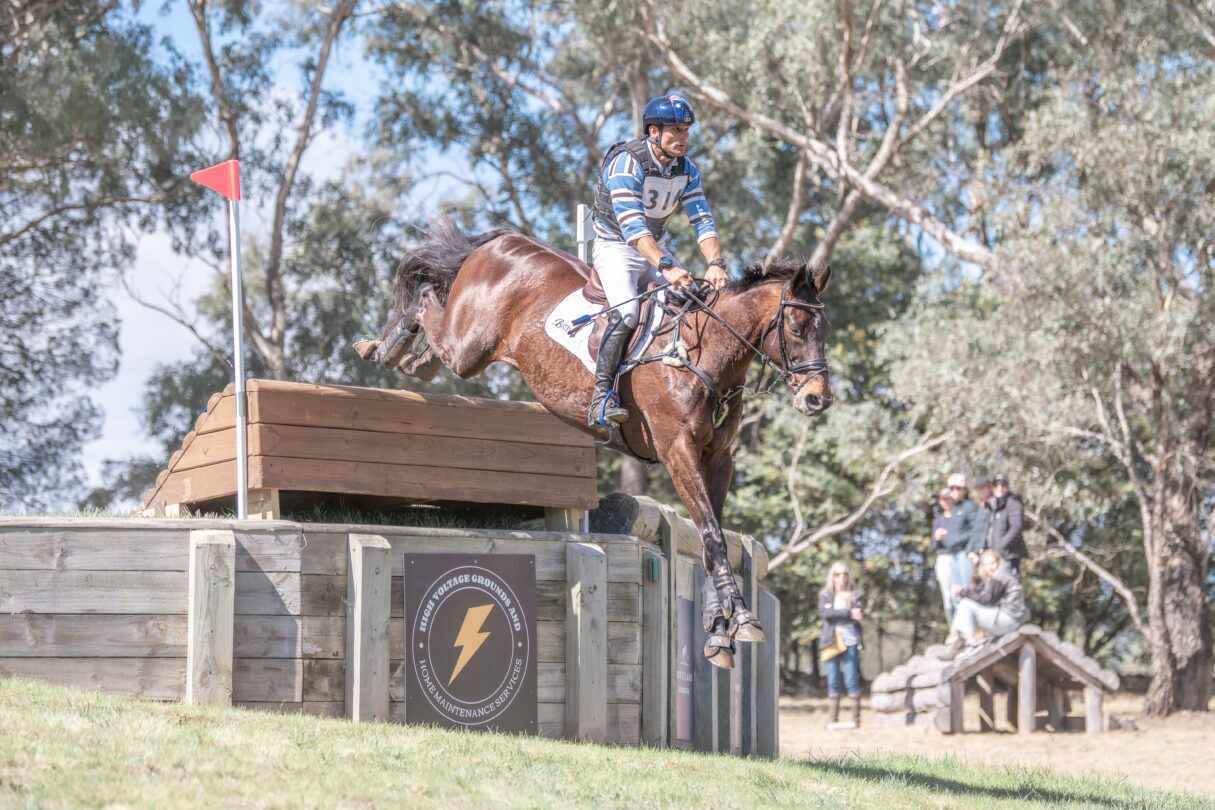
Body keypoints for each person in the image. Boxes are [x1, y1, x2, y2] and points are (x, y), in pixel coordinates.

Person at [587, 93, 728, 426]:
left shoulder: (687, 170)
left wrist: (715, 264)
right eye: (675, 131)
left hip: (656, 245)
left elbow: (702, 220)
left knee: (696, 303)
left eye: (686, 131)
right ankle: (602, 396)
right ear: (653, 132)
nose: (683, 138)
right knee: (627, 313)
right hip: (616, 247)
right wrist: (666, 266)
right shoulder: (626, 162)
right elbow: (633, 228)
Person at [941, 550, 1029, 659]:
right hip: (1010, 619)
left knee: (966, 605)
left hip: (1009, 620)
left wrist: (963, 592)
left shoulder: (1000, 576)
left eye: (993, 563)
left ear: (999, 561)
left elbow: (987, 599)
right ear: (983, 566)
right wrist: (965, 591)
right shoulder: (1002, 574)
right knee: (966, 604)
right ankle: (959, 641)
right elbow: (981, 593)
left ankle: (969, 643)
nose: (991, 567)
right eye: (988, 564)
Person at [818, 561, 864, 730]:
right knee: (833, 679)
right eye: (837, 574)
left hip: (850, 641)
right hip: (831, 642)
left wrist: (842, 614)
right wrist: (848, 613)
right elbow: (826, 614)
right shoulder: (825, 595)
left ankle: (856, 720)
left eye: (844, 573)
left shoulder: (856, 594)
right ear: (832, 577)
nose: (841, 577)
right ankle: (833, 720)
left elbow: (858, 614)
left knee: (851, 678)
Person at [932, 473, 977, 622]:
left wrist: (954, 541)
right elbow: (935, 542)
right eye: (952, 488)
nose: (955, 491)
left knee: (964, 592)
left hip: (963, 554)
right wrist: (938, 539)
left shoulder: (969, 507)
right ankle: (956, 629)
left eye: (959, 488)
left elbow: (974, 531)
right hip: (948, 555)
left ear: (964, 489)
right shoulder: (944, 513)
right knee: (950, 595)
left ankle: (968, 627)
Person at [987, 473, 1028, 573]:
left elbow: (1016, 527)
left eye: (1003, 485)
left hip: (1009, 555)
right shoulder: (992, 505)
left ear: (1007, 487)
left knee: (1010, 585)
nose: (999, 488)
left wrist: (1001, 545)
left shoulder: (1014, 503)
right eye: (996, 485)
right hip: (993, 557)